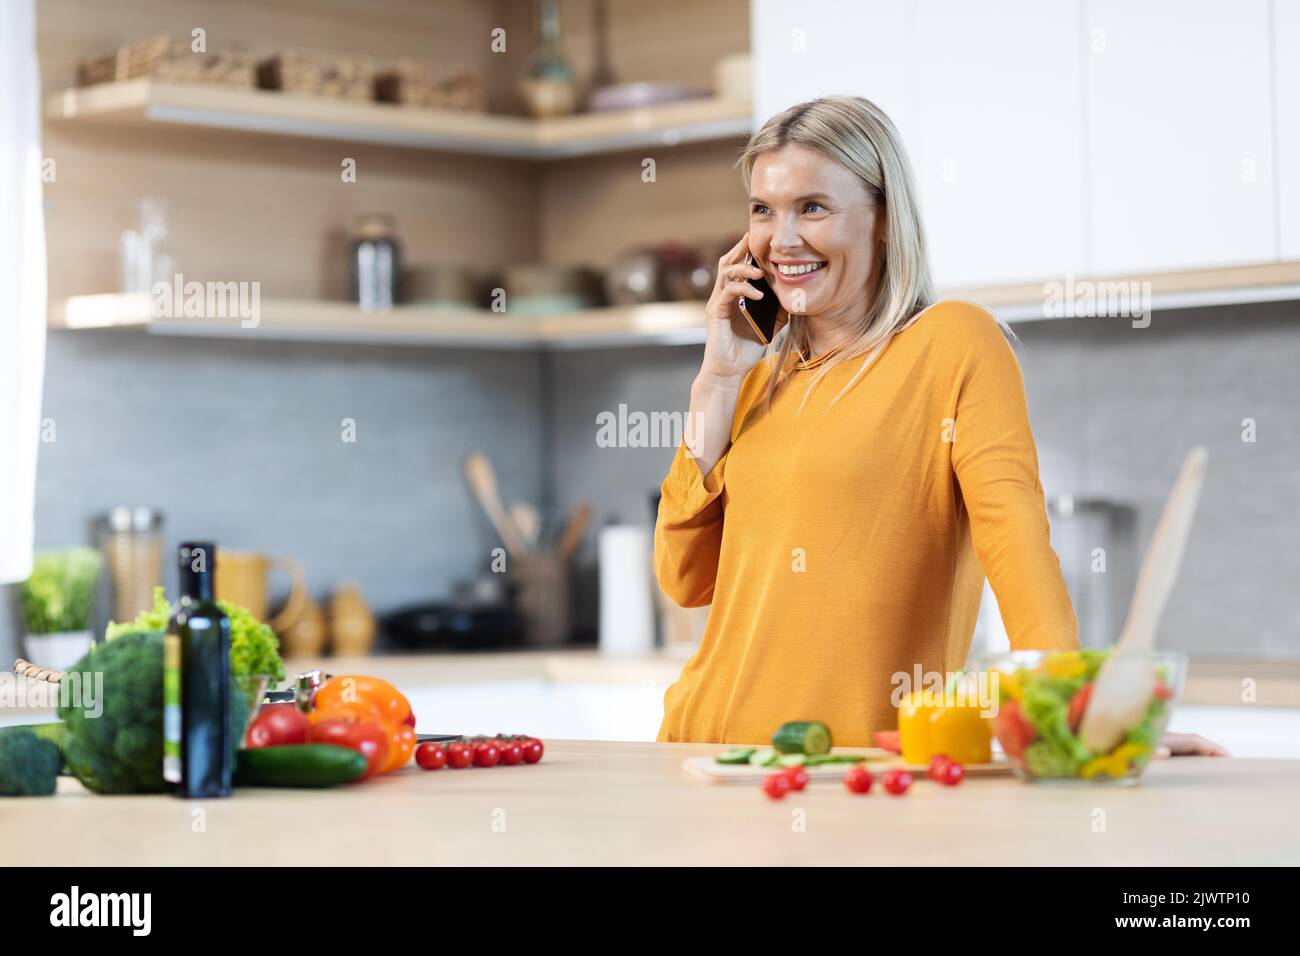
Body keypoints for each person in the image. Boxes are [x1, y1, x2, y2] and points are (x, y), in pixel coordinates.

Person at [653, 95, 1225, 759]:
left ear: (885, 220)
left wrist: (1071, 706)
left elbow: (1014, 533)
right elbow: (684, 579)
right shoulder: (754, 380)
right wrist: (716, 383)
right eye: (763, 210)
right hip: (703, 751)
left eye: (812, 207)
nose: (780, 240)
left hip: (852, 764)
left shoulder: (953, 344)